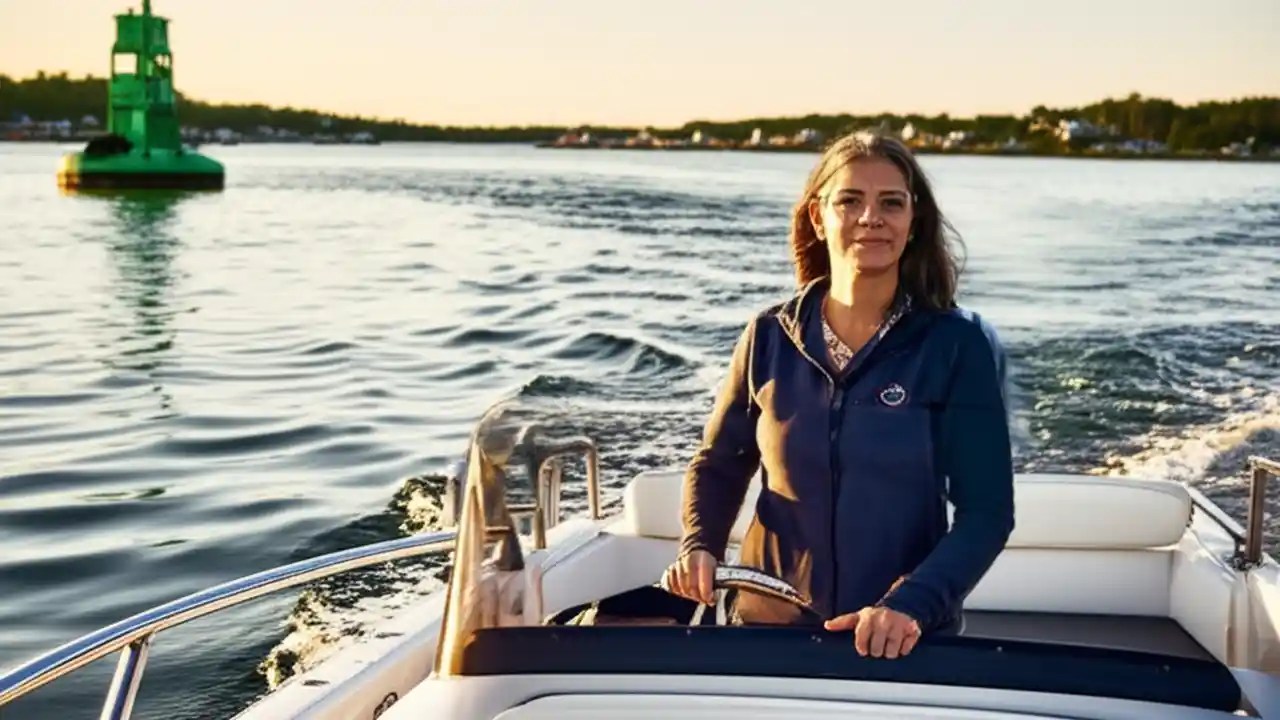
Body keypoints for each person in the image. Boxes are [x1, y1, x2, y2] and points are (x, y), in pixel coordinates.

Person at [662, 129, 1015, 661]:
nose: (871, 217)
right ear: (817, 217)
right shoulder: (768, 336)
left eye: (890, 203)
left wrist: (911, 605)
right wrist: (700, 546)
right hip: (763, 635)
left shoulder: (954, 346)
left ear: (912, 221)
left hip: (901, 642)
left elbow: (987, 511)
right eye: (850, 200)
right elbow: (719, 463)